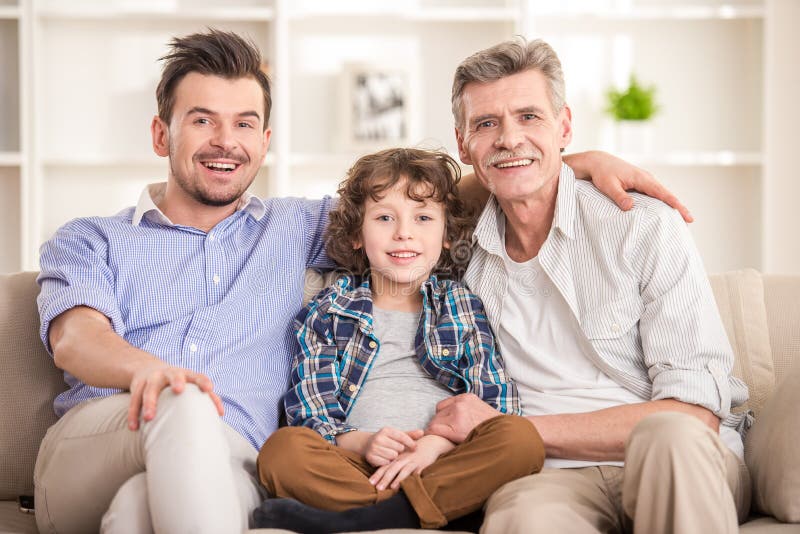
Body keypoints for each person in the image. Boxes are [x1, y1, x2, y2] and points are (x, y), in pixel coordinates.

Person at [33, 28, 689, 533]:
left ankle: (385, 512)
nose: (224, 141)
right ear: (161, 133)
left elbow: (413, 203)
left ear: (265, 140)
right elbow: (76, 338)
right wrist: (155, 374)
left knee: (138, 512)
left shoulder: (291, 227)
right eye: (202, 120)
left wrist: (557, 163)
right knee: (185, 406)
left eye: (243, 124)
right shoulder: (91, 237)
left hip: (228, 455)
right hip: (106, 436)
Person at [424, 37, 751, 534]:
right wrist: (555, 162)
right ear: (462, 143)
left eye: (529, 117)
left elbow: (695, 414)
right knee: (523, 518)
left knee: (671, 437)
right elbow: (378, 208)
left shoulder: (642, 225)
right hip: (551, 476)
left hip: (676, 460)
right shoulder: (448, 239)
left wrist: (505, 431)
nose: (509, 138)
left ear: (565, 126)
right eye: (486, 124)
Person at [253, 147, 544, 533]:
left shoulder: (460, 304)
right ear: (356, 235)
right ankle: (416, 512)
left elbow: (495, 401)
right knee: (282, 450)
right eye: (384, 217)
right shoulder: (329, 309)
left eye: (423, 217)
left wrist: (436, 446)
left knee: (521, 439)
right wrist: (363, 442)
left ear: (446, 235)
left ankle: (366, 518)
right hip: (360, 465)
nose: (404, 232)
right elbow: (310, 412)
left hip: (443, 462)